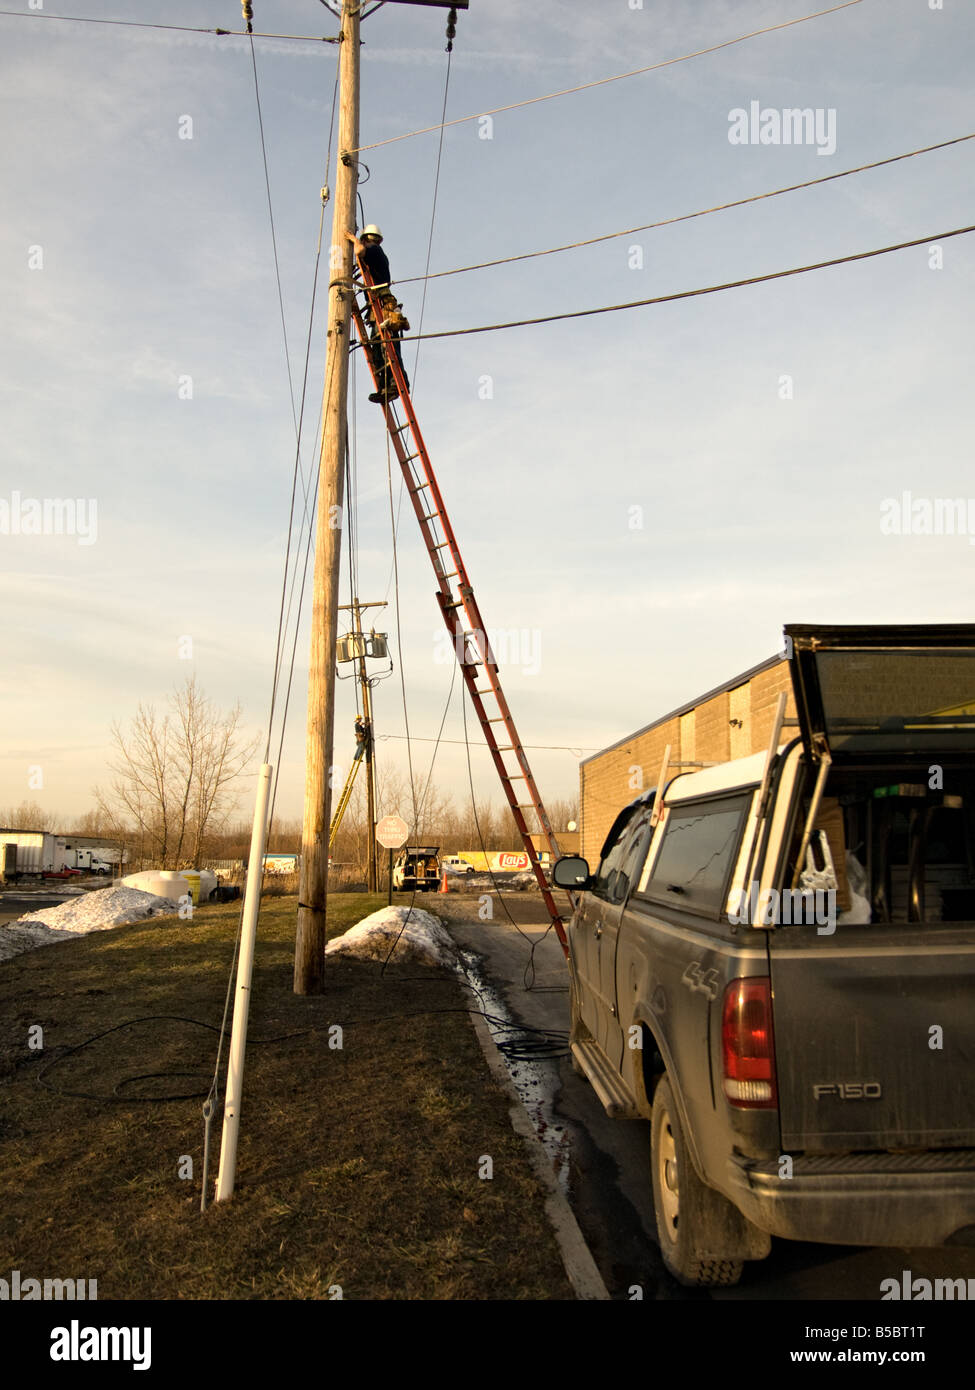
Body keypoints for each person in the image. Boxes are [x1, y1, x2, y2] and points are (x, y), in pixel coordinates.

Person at [346, 225, 410, 404]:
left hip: (383, 306)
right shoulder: (375, 256)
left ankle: (396, 384)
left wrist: (352, 239)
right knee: (377, 346)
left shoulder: (373, 249)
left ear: (366, 239)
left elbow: (359, 250)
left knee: (386, 346)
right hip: (377, 308)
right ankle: (385, 387)